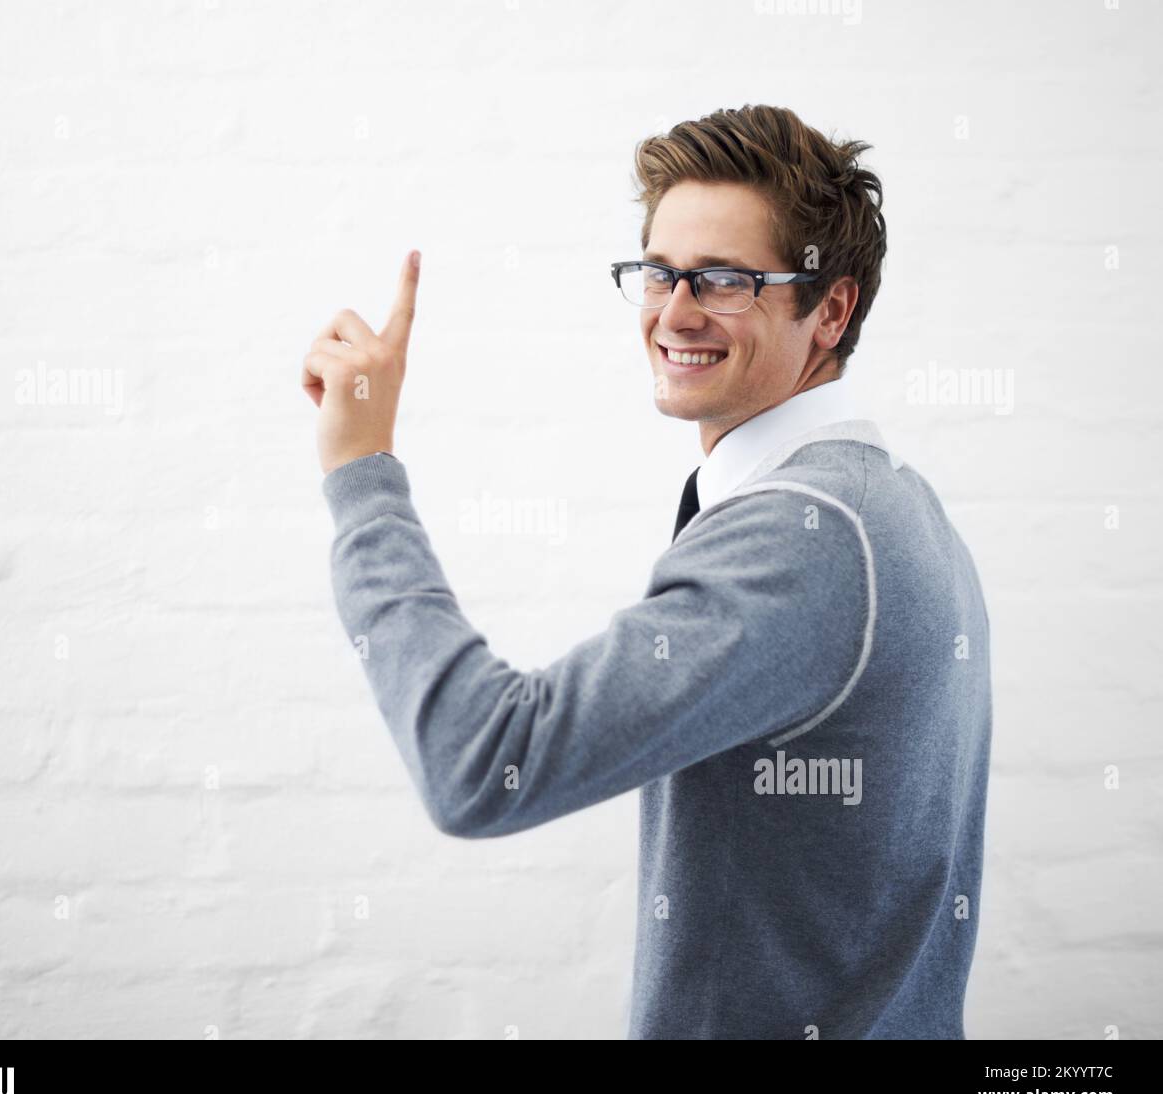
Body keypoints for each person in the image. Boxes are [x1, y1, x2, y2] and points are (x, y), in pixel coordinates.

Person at [301, 104, 992, 1040]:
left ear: (832, 307)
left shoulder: (808, 536)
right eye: (659, 273)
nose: (673, 313)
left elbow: (483, 763)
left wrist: (360, 472)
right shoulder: (886, 502)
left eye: (724, 279)